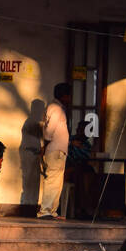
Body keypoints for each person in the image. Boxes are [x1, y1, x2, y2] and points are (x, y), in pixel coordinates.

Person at [38, 82, 71, 218]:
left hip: (57, 149)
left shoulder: (56, 107)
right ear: (64, 96)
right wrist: (46, 141)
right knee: (53, 180)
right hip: (55, 149)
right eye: (68, 95)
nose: (69, 98)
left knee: (57, 181)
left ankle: (51, 211)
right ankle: (45, 210)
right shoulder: (56, 108)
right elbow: (49, 131)